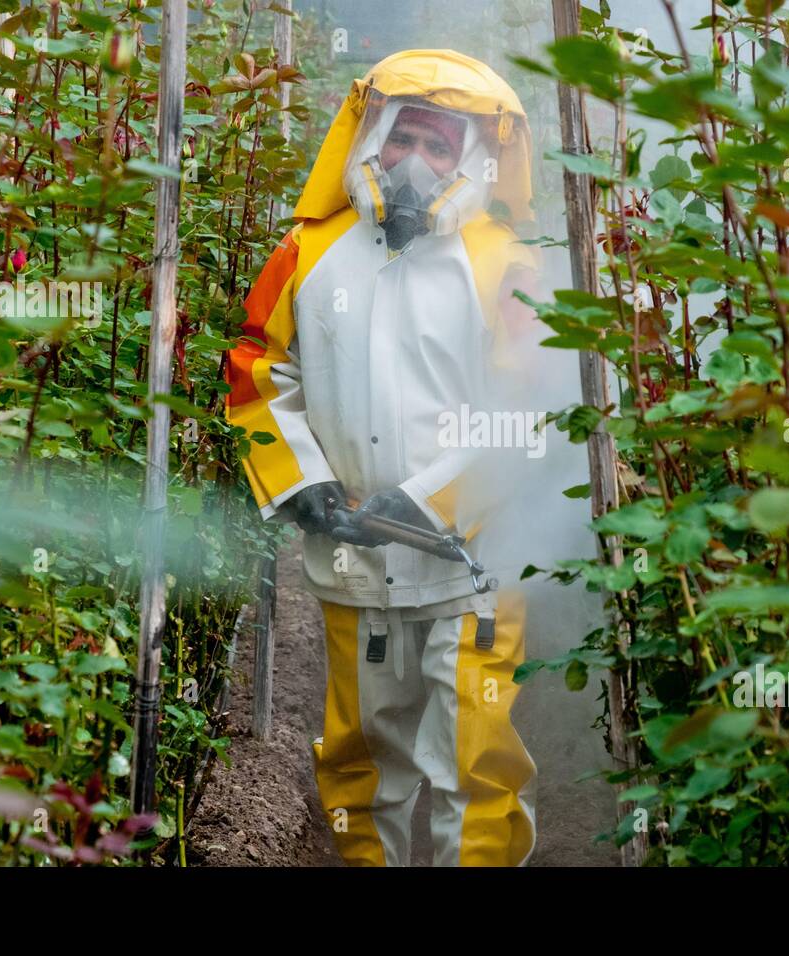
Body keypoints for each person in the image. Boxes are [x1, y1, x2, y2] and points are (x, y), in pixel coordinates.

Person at [225, 49, 541, 866]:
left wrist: (429, 502)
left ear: (474, 157)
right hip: (351, 567)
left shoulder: (504, 266)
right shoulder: (306, 252)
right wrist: (302, 483)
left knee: (477, 769)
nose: (415, 163)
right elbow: (258, 371)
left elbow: (528, 412)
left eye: (440, 147)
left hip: (471, 571)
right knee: (361, 766)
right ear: (371, 136)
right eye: (405, 138)